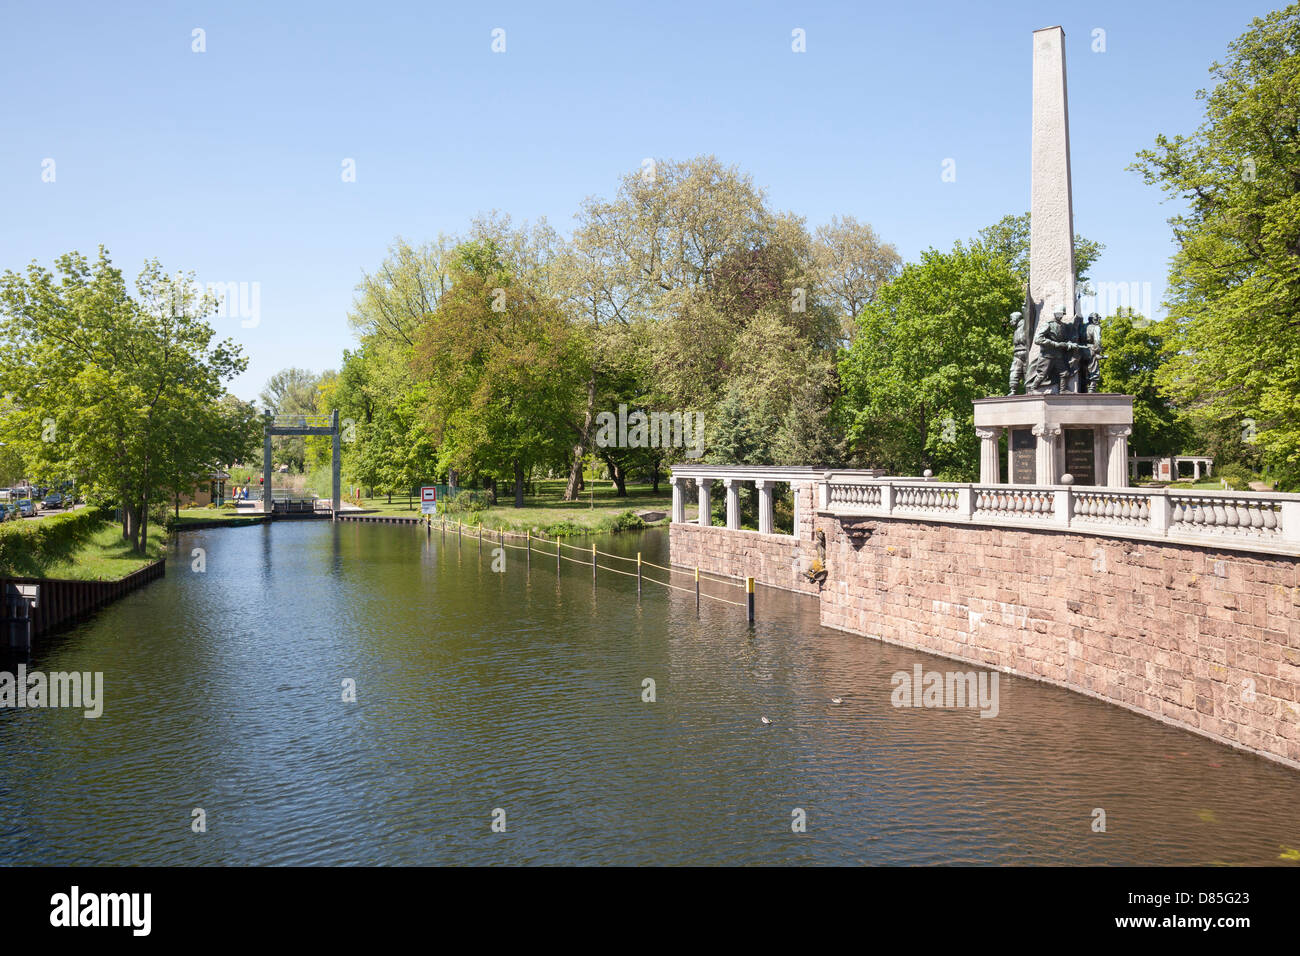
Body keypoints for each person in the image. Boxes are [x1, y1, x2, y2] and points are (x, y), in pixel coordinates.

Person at [1008, 311, 1029, 394]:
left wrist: (1025, 308)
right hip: (1017, 354)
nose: (1010, 321)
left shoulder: (1025, 325)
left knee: (1026, 372)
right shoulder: (1017, 329)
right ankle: (1013, 390)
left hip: (1026, 353)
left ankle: (1028, 390)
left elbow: (1028, 314)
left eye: (1011, 319)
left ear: (1016, 318)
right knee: (1014, 371)